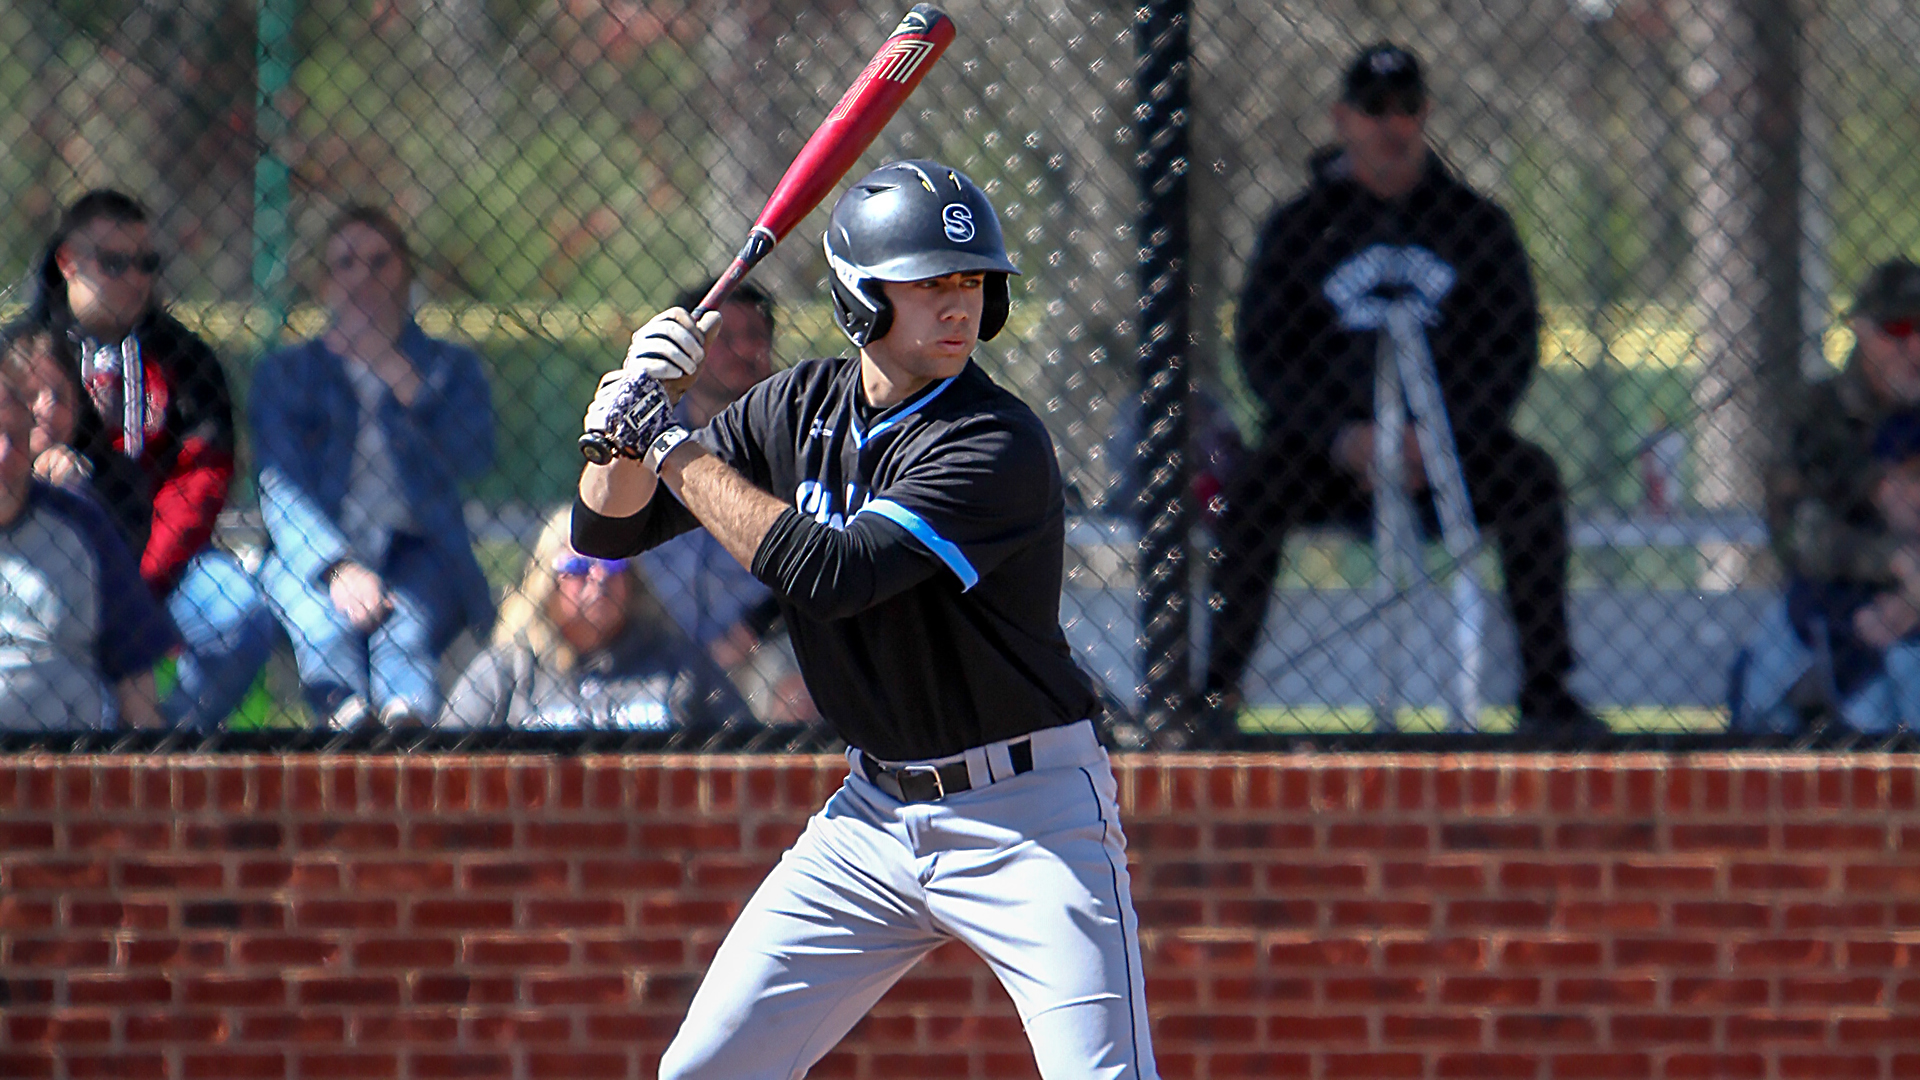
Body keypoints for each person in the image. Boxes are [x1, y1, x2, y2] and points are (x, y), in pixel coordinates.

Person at [573, 160, 1157, 1080]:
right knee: (702, 1071)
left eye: (971, 281)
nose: (957, 305)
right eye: (927, 283)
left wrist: (666, 440)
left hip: (1029, 817)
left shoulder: (994, 439)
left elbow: (832, 574)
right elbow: (608, 528)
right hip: (872, 817)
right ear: (860, 297)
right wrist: (623, 424)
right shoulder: (795, 404)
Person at [1202, 43, 1598, 741]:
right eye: (1374, 109)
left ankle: (1547, 695)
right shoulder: (1300, 228)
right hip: (1332, 458)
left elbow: (1510, 350)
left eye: (1406, 108)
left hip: (1449, 453)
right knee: (1254, 489)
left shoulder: (1476, 225)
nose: (1392, 125)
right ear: (1342, 119)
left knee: (1533, 480)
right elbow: (1264, 354)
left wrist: (1442, 437)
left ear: (1425, 114)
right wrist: (1340, 436)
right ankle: (1214, 695)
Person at [12, 189, 275, 729]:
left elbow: (202, 479)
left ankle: (163, 744)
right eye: (114, 263)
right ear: (68, 262)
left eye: (146, 263)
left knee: (239, 615)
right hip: (44, 557)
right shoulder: (20, 352)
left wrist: (144, 580)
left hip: (165, 564)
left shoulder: (188, 359)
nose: (135, 278)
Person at [250, 205, 497, 727]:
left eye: (380, 261)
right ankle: (346, 723)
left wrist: (410, 388)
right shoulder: (287, 373)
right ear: (325, 283)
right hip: (312, 552)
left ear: (406, 273)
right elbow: (280, 489)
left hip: (417, 548)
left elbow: (475, 456)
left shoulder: (448, 367)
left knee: (406, 629)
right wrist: (336, 566)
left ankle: (407, 726)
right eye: (346, 263)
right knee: (324, 626)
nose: (363, 277)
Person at [1734, 258, 1920, 733]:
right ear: (1860, 328)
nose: (1916, 347)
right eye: (1898, 328)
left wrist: (1913, 600)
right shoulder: (1818, 414)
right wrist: (1894, 562)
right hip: (1832, 612)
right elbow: (1796, 536)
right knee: (1766, 695)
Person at [634, 279, 818, 723]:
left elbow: (819, 556)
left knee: (796, 701)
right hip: (655, 635)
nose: (743, 349)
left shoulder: (799, 433)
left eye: (755, 335)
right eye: (724, 338)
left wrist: (751, 630)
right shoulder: (647, 426)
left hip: (765, 639)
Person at [440, 505, 751, 731]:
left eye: (613, 563)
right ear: (545, 583)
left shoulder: (677, 664)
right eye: (578, 568)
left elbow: (743, 745)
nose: (599, 577)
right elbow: (446, 760)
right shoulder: (508, 670)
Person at [0, 343, 178, 730]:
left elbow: (136, 677)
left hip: (73, 753)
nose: (3, 454)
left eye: (12, 434)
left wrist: (149, 752)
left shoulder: (79, 523)